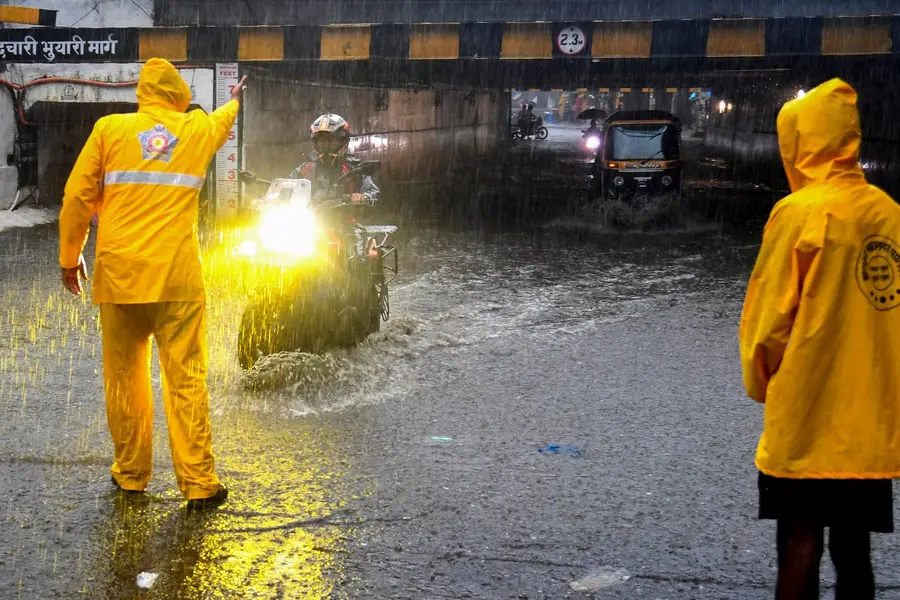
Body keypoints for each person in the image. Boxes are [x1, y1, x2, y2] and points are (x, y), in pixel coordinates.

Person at [59, 58, 247, 509]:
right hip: (177, 282)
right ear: (179, 95)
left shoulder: (109, 129)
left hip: (120, 279)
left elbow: (77, 197)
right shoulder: (196, 130)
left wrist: (70, 258)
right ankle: (199, 483)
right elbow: (222, 120)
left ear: (143, 92)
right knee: (185, 380)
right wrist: (235, 102)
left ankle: (131, 475)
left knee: (124, 381)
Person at [739, 78, 900, 600]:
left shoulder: (798, 213)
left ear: (800, 143)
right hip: (869, 419)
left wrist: (761, 381)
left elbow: (768, 320)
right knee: (854, 550)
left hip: (806, 415)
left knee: (799, 542)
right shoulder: (888, 213)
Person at [289, 113, 379, 205]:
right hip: (309, 213)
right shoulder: (305, 169)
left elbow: (373, 193)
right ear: (315, 142)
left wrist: (363, 197)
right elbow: (285, 188)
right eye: (321, 139)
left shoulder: (354, 168)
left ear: (343, 140)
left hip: (346, 212)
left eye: (332, 139)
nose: (326, 143)